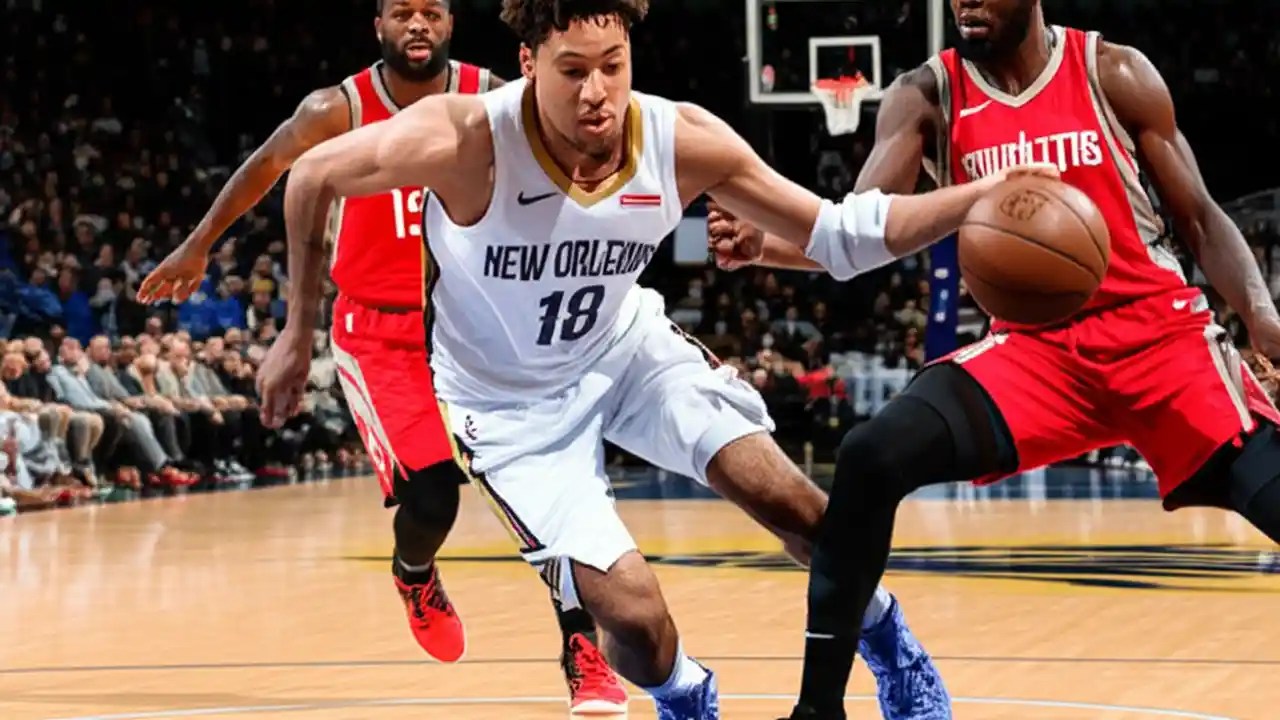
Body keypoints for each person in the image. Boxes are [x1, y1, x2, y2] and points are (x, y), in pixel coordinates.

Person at [270, 0, 1057, 717]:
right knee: (638, 624)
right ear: (529, 64)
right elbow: (311, 175)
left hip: (627, 353)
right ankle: (685, 695)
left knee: (799, 508)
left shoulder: (677, 139)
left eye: (612, 66)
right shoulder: (466, 138)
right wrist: (296, 334)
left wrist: (976, 197)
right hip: (508, 409)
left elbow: (840, 237)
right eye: (573, 71)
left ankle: (889, 642)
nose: (597, 93)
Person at [706, 1, 1280, 717]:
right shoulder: (927, 94)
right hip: (1035, 355)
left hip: (1157, 338)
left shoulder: (1113, 72)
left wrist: (1262, 315)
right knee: (871, 455)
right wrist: (767, 246)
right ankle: (817, 710)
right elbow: (864, 229)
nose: (966, 3)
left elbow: (1199, 216)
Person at [136, 0, 630, 713]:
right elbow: (268, 167)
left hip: (478, 325)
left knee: (547, 494)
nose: (417, 24)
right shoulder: (336, 109)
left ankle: (582, 647)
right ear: (379, 26)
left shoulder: (493, 97)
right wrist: (202, 248)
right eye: (403, 12)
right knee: (433, 499)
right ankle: (414, 571)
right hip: (380, 331)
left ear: (451, 23)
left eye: (431, 11)